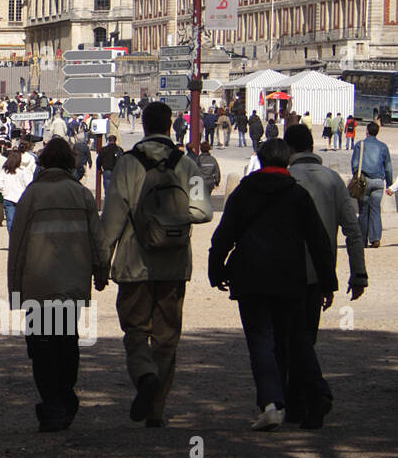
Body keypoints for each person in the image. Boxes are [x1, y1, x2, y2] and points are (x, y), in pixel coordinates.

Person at [208, 139, 336, 431]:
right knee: (297, 338)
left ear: (261, 160)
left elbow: (224, 236)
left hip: (251, 275)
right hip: (290, 276)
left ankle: (272, 404)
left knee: (260, 341)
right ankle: (318, 393)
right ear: (287, 161)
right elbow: (318, 242)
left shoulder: (243, 193)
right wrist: (327, 283)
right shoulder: (298, 195)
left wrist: (217, 271)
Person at [100, 101, 213, 427]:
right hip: (174, 262)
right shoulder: (186, 164)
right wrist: (173, 219)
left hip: (134, 261)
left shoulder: (127, 163)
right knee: (166, 338)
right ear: (169, 126)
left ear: (145, 125)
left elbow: (113, 219)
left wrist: (102, 263)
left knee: (136, 331)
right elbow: (204, 211)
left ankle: (144, 375)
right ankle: (157, 409)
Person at [7, 138, 111, 431]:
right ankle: (65, 395)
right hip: (71, 282)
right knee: (66, 342)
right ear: (69, 162)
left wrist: (15, 290)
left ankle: (53, 403)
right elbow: (98, 239)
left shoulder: (31, 195)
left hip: (38, 283)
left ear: (43, 163)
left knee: (41, 347)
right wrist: (101, 271)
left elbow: (17, 245)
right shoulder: (81, 194)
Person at [285, 123, 367, 427]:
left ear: (289, 149)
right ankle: (300, 402)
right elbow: (352, 231)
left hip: (286, 271)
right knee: (306, 336)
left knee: (290, 339)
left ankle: (310, 396)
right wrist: (358, 273)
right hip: (319, 272)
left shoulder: (286, 179)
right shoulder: (332, 179)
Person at [352, 120, 392, 247]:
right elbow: (388, 167)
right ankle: (375, 238)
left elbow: (355, 164)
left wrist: (356, 178)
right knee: (375, 209)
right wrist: (390, 184)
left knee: (363, 210)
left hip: (364, 181)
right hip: (378, 182)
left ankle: (362, 239)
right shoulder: (383, 146)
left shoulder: (360, 145)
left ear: (367, 132)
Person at [0, 150, 31, 231]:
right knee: (22, 221)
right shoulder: (23, 170)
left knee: (10, 221)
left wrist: (4, 192)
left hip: (8, 197)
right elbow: (28, 184)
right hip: (21, 198)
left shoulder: (5, 171)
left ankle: (12, 237)